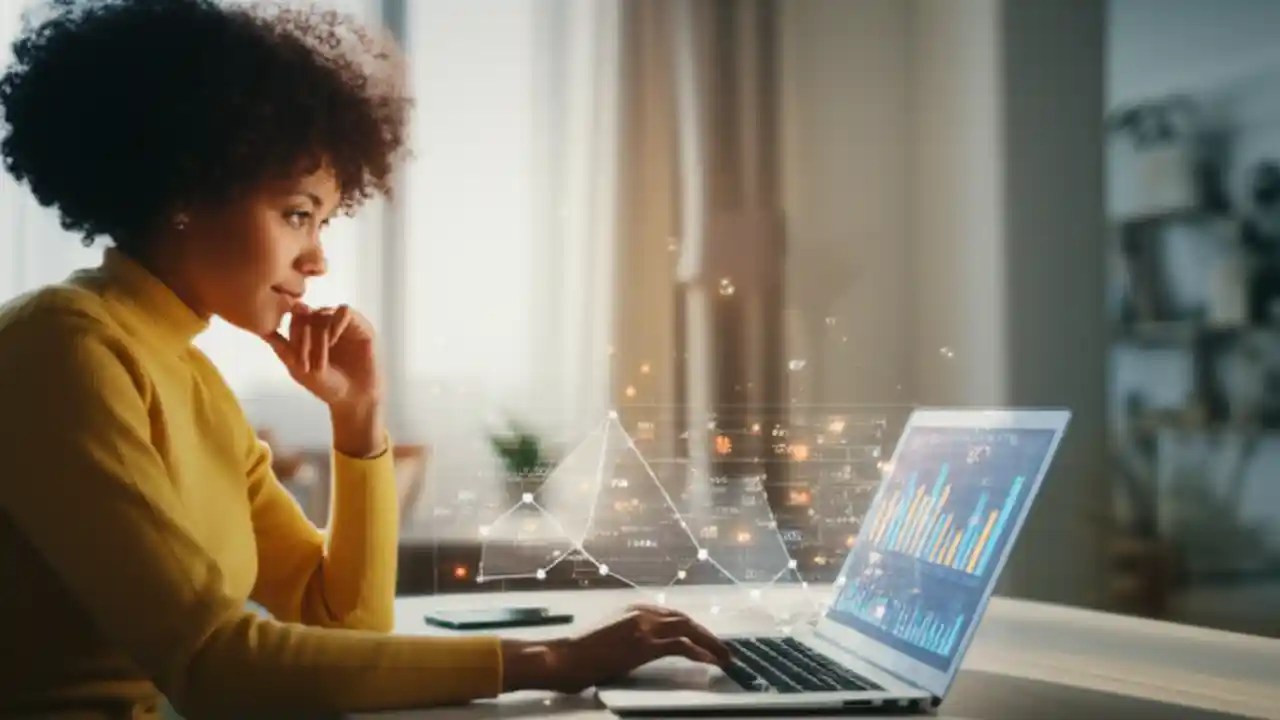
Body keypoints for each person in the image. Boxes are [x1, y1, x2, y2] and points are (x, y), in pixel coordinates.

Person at [0, 1, 730, 717]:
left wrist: (357, 420)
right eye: (297, 214)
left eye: (321, 222)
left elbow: (341, 622)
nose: (316, 258)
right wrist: (551, 661)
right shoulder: (62, 350)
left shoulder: (188, 375)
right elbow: (214, 663)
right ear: (184, 188)